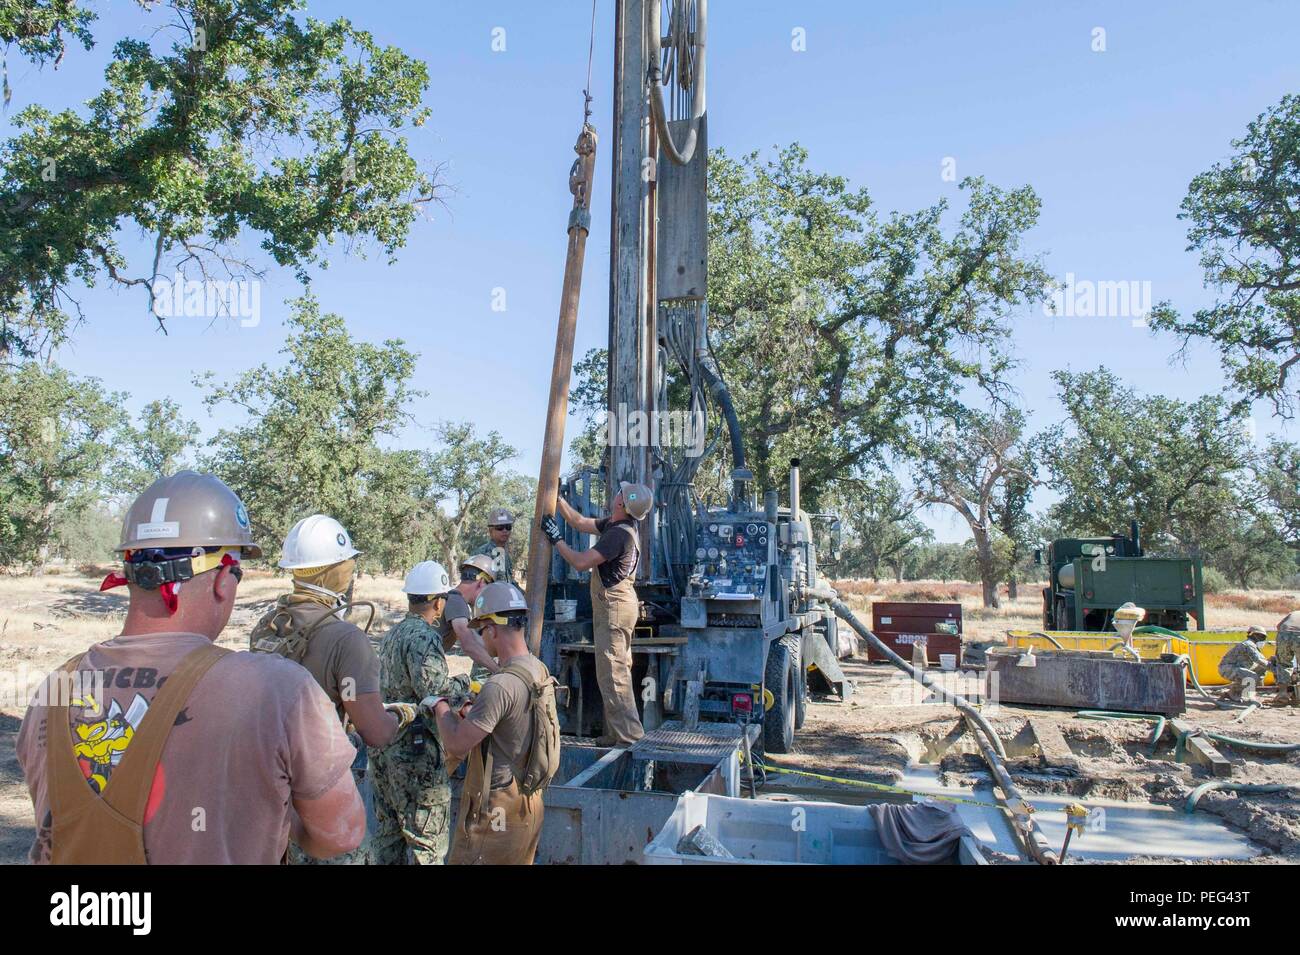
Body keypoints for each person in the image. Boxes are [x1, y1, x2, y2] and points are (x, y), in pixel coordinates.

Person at [16, 471, 365, 864]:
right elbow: (341, 834)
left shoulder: (54, 689)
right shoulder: (278, 690)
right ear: (223, 580)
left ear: (130, 577)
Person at [250, 513, 412, 863]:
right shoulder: (345, 639)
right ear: (334, 570)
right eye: (347, 563)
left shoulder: (268, 625)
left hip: (267, 794)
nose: (351, 569)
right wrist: (401, 715)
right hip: (317, 795)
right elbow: (376, 733)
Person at [427, 582, 558, 865]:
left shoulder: (499, 686)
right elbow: (514, 722)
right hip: (529, 805)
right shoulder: (537, 669)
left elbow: (457, 743)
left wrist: (439, 707)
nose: (480, 637)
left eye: (481, 630)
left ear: (493, 629)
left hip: (496, 815)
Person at [370, 561, 472, 864]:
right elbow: (435, 690)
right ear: (439, 603)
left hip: (384, 751)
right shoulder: (424, 637)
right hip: (415, 755)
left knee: (389, 839)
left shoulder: (392, 635)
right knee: (428, 846)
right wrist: (468, 684)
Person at [543, 482, 652, 746]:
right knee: (616, 671)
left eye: (619, 493)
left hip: (613, 608)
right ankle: (617, 734)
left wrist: (556, 539)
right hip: (617, 606)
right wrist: (558, 501)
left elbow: (580, 562)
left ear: (621, 503)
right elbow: (580, 522)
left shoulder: (619, 535)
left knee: (614, 675)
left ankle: (631, 739)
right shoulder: (616, 525)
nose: (615, 493)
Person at [441, 554, 499, 681]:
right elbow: (469, 645)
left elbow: (474, 638)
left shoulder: (454, 598)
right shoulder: (457, 601)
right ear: (481, 582)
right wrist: (499, 672)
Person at [1218, 626, 1271, 702]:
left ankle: (1232, 693)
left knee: (1261, 669)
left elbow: (1264, 663)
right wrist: (1277, 670)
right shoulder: (1248, 644)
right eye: (1262, 637)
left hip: (1239, 668)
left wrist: (1272, 663)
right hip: (1227, 668)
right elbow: (1260, 660)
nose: (1263, 640)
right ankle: (1247, 697)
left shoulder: (1254, 646)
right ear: (1254, 635)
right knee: (1251, 676)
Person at [473, 507, 517, 583]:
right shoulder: (481, 554)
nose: (505, 530)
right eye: (500, 527)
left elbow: (509, 582)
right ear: (490, 531)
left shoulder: (504, 554)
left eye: (508, 527)